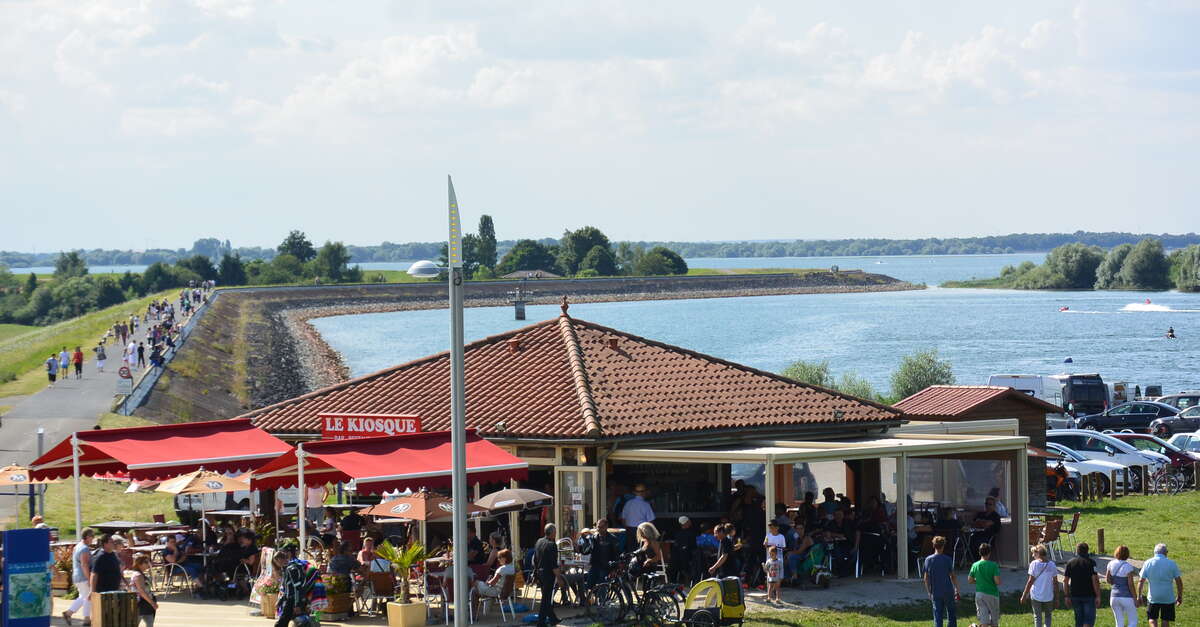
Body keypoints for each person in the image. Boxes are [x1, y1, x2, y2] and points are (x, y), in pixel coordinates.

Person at [1138, 543, 1183, 627]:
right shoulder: (1172, 563)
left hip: (1153, 597)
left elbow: (1141, 581)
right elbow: (1179, 582)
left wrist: (1139, 595)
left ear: (1155, 552)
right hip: (1168, 597)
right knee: (1165, 620)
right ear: (1166, 552)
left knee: (1152, 618)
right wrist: (1179, 595)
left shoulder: (1148, 563)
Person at [923, 535, 960, 627]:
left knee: (938, 615)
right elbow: (953, 576)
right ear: (943, 546)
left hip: (936, 592)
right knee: (951, 615)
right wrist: (957, 589)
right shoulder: (947, 559)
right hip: (948, 591)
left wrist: (929, 592)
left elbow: (925, 578)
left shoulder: (928, 560)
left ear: (933, 546)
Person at [1063, 542, 1101, 627]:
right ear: (1087, 551)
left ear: (1077, 551)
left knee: (1079, 619)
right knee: (1088, 619)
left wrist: (1066, 596)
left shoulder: (1070, 563)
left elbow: (1065, 581)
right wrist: (1098, 595)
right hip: (1089, 595)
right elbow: (1095, 580)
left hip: (1075, 595)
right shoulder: (1091, 563)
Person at [62, 528, 95, 625]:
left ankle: (68, 613)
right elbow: (84, 565)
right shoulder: (84, 548)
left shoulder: (77, 546)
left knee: (83, 596)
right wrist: (89, 579)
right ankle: (86, 619)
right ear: (88, 537)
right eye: (92, 537)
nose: (93, 539)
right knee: (88, 597)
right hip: (83, 576)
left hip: (77, 576)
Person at [1021, 544, 1059, 627]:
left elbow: (1030, 581)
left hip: (1036, 595)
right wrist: (1057, 598)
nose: (1032, 555)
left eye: (1033, 553)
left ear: (1038, 554)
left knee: (1037, 617)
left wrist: (1024, 595)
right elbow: (1055, 582)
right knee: (1048, 616)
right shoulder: (1052, 565)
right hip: (1048, 595)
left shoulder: (1033, 564)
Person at [968, 542, 1001, 627]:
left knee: (984, 621)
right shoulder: (993, 565)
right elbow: (997, 582)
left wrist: (978, 581)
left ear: (979, 553)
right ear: (989, 553)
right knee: (994, 620)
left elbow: (970, 580)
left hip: (980, 594)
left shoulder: (975, 565)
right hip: (992, 594)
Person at [534, 524, 560, 627]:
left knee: (546, 597)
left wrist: (536, 572)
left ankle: (553, 618)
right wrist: (559, 577)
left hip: (539, 572)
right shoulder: (552, 544)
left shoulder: (539, 541)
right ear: (553, 533)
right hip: (548, 573)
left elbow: (535, 559)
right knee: (546, 598)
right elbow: (553, 563)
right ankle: (541, 622)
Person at [1106, 545, 1138, 627]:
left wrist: (1116, 582)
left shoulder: (1110, 564)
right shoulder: (1128, 566)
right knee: (1133, 621)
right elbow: (1130, 584)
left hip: (1114, 597)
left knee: (1119, 623)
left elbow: (1108, 580)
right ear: (1127, 554)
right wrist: (1135, 598)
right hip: (1126, 597)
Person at [621, 484, 656, 550]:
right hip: (641, 531)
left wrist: (627, 529)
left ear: (635, 492)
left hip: (629, 530)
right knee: (641, 552)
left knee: (631, 551)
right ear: (644, 493)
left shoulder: (628, 503)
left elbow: (623, 519)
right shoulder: (646, 504)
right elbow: (651, 521)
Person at [587, 518, 620, 586]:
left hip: (606, 567)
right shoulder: (593, 537)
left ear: (606, 526)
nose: (599, 529)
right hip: (594, 566)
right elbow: (587, 551)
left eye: (601, 527)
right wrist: (583, 546)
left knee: (602, 588)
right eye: (598, 527)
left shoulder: (613, 539)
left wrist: (614, 569)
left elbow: (616, 555)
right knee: (589, 586)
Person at [131, 554, 158, 627]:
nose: (148, 564)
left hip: (145, 603)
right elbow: (141, 591)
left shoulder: (140, 574)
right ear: (139, 564)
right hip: (141, 603)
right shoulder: (138, 575)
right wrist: (152, 603)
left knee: (149, 624)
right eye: (146, 562)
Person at [672, 516, 699, 586]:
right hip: (687, 558)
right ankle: (688, 577)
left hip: (679, 558)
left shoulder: (677, 533)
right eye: (689, 521)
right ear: (686, 523)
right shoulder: (691, 533)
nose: (690, 522)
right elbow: (694, 546)